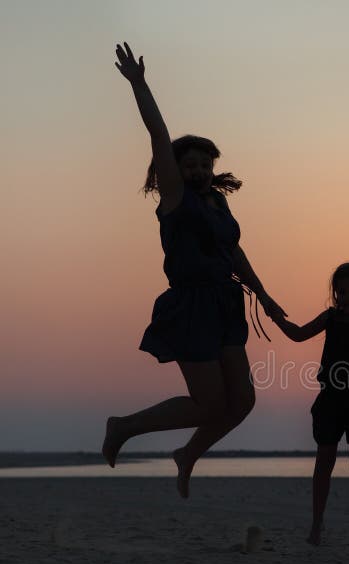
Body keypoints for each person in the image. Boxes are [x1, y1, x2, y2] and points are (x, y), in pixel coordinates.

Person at [101, 42, 285, 498]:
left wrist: (263, 295)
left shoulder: (218, 203)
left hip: (226, 301)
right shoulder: (175, 200)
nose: (200, 169)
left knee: (241, 401)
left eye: (206, 163)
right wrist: (140, 84)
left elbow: (235, 252)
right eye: (191, 163)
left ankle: (187, 454)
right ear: (176, 170)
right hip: (191, 304)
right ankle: (124, 426)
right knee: (209, 402)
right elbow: (158, 136)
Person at [269, 263, 349, 550]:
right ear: (335, 294)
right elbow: (299, 334)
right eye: (342, 292)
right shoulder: (330, 318)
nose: (347, 297)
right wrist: (277, 317)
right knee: (323, 464)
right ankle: (317, 525)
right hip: (330, 399)